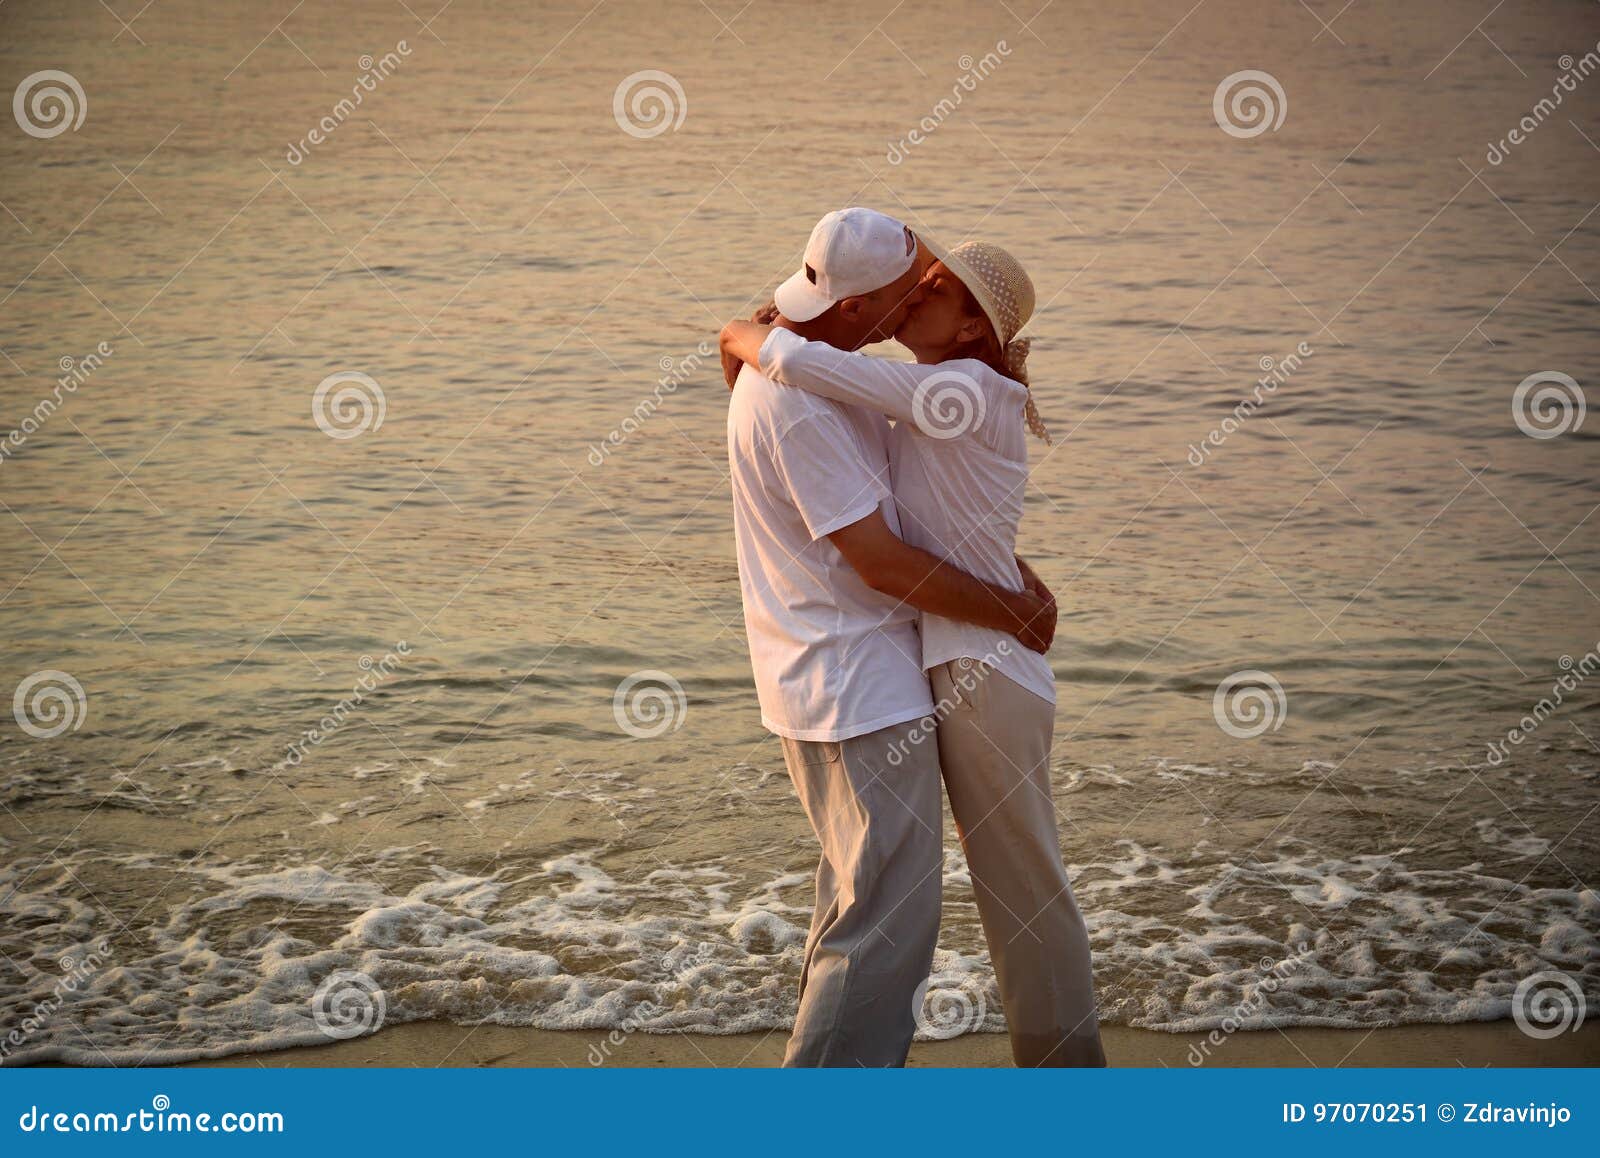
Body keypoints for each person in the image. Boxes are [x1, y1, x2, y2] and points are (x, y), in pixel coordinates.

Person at [721, 237, 1106, 1067]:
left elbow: (816, 366)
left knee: (1025, 890)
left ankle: (1071, 1077)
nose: (922, 288)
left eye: (941, 287)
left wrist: (741, 337)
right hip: (960, 660)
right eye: (920, 278)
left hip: (988, 668)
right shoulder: (934, 390)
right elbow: (937, 515)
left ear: (971, 329)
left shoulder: (956, 390)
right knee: (982, 891)